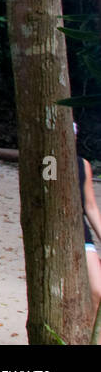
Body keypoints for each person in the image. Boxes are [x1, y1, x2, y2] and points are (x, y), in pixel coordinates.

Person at [75, 125, 101, 325]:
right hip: (56, 234)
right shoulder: (50, 162)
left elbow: (90, 206)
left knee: (98, 291)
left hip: (81, 232)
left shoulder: (83, 165)